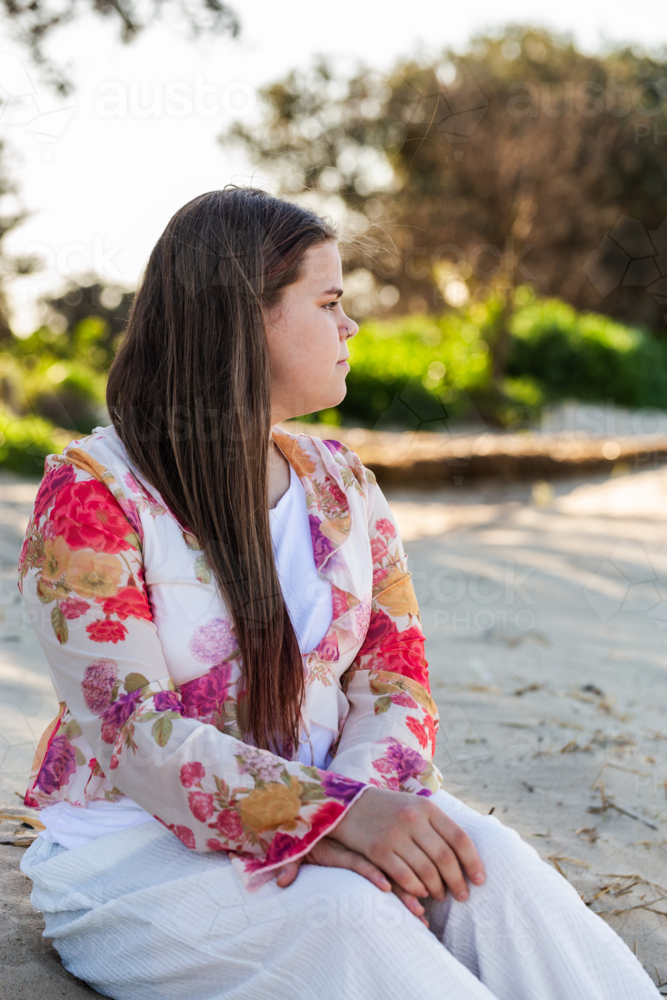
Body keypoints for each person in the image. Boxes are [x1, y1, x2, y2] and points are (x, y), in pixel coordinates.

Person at [17, 186, 661, 1000]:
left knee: (489, 868)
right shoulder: (95, 494)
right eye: (328, 302)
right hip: (134, 854)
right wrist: (318, 819)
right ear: (242, 321)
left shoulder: (341, 483)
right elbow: (129, 730)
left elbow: (394, 679)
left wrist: (364, 812)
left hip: (341, 802)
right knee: (352, 918)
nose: (350, 325)